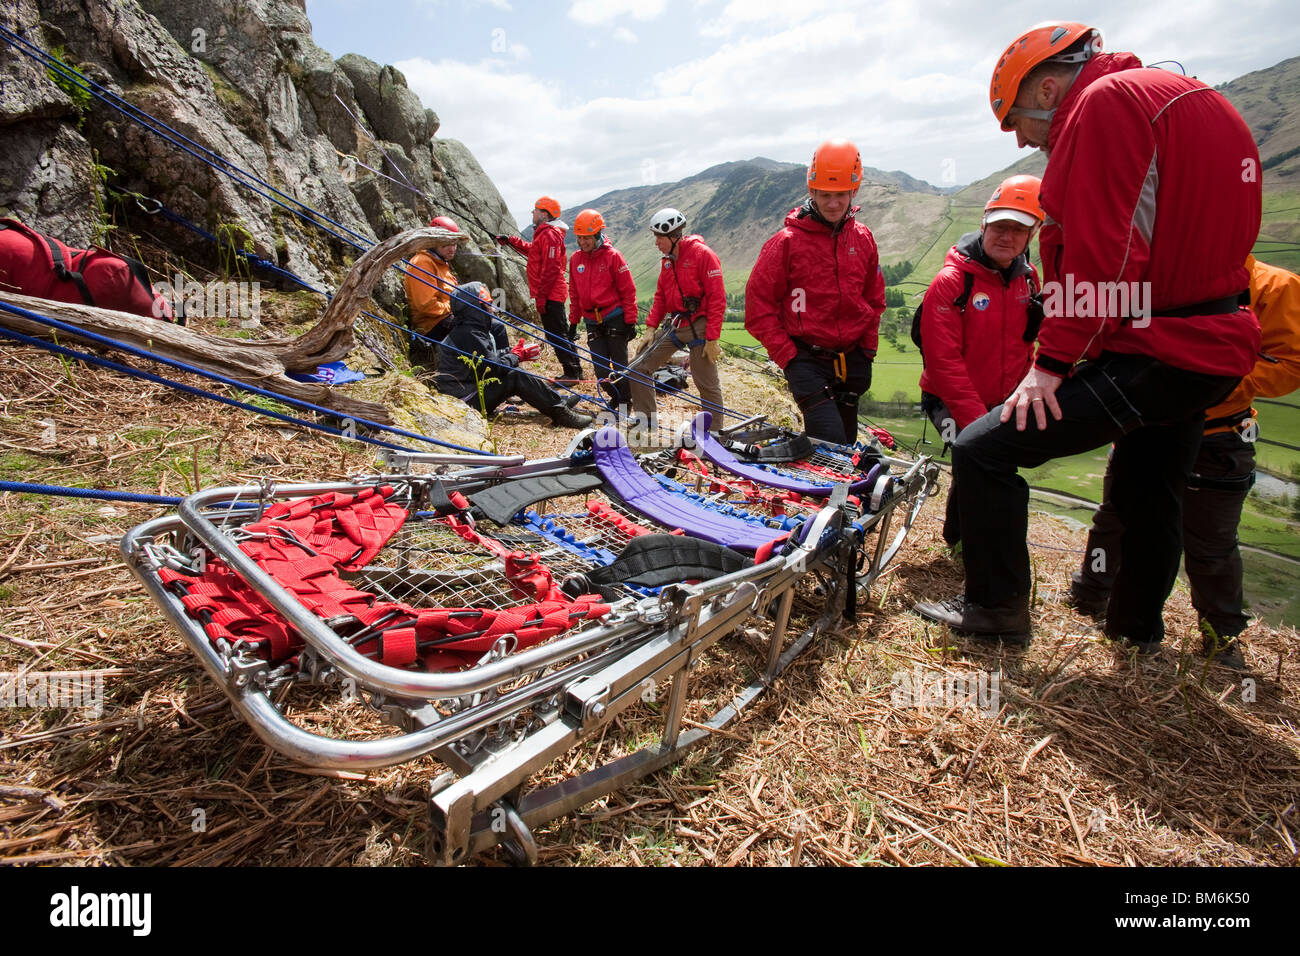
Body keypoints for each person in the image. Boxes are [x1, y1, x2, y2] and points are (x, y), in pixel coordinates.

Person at [915, 21, 1262, 652]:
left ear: (1048, 90)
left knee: (981, 450)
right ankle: (1135, 629)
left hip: (1157, 347)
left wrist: (1051, 364)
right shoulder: (1192, 95)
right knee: (1148, 487)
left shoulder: (1106, 104)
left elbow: (1109, 252)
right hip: (1210, 345)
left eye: (1017, 121)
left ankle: (995, 611)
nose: (1021, 139)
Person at [1068, 256, 1300, 667]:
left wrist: (1210, 383)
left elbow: (1290, 362)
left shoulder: (1275, 286)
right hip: (1144, 423)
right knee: (1114, 518)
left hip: (1219, 434)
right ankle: (1089, 594)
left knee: (1210, 545)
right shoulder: (1167, 274)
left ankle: (1221, 635)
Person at [919, 175, 1044, 544]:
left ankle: (956, 540)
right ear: (984, 224)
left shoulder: (1029, 278)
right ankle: (969, 547)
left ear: (1031, 236)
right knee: (974, 460)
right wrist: (980, 423)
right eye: (1000, 226)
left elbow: (1027, 343)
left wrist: (1019, 396)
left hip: (1001, 399)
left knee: (981, 465)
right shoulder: (952, 282)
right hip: (947, 398)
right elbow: (944, 363)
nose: (1006, 237)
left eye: (1018, 230)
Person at [745, 139, 886, 445]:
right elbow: (758, 309)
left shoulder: (863, 239)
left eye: (840, 196)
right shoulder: (786, 243)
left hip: (851, 360)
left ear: (854, 192)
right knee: (830, 442)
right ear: (811, 191)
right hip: (805, 358)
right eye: (825, 195)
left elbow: (874, 300)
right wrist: (790, 359)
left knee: (846, 444)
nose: (833, 204)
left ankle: (831, 492)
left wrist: (867, 351)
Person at [435, 282, 594, 429]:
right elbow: (494, 368)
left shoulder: (470, 329)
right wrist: (516, 356)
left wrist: (512, 353)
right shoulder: (469, 333)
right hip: (466, 401)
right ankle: (561, 413)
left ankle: (556, 401)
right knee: (515, 376)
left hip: (470, 392)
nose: (492, 307)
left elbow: (489, 359)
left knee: (513, 373)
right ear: (476, 309)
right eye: (487, 304)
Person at [627, 208, 726, 429]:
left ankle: (716, 433)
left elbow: (717, 299)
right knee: (638, 366)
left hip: (701, 326)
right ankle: (646, 421)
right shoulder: (668, 261)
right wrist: (651, 328)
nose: (656, 243)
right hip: (677, 323)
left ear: (674, 236)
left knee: (706, 382)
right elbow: (661, 296)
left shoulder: (703, 255)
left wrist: (712, 339)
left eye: (659, 237)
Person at [495, 197, 584, 383]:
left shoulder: (550, 234)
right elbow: (534, 251)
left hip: (551, 293)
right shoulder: (545, 234)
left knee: (557, 334)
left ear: (544, 214)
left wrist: (542, 297)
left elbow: (551, 269)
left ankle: (572, 373)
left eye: (535, 210)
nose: (532, 213)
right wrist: (511, 241)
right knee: (558, 333)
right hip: (550, 293)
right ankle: (574, 372)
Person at [568, 209, 639, 409]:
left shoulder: (613, 257)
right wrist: (573, 323)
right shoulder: (575, 260)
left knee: (619, 366)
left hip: (615, 317)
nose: (583, 242)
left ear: (598, 234)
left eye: (587, 238)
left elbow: (628, 291)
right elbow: (574, 294)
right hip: (592, 320)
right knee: (600, 370)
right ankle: (617, 395)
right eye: (579, 238)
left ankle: (625, 401)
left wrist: (630, 321)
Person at [403, 215, 463, 374]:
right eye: (446, 243)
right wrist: (457, 307)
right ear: (433, 241)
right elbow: (426, 305)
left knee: (494, 326)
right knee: (472, 328)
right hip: (431, 325)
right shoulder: (422, 263)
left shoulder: (441, 263)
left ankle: (503, 373)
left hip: (444, 317)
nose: (452, 248)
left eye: (454, 243)